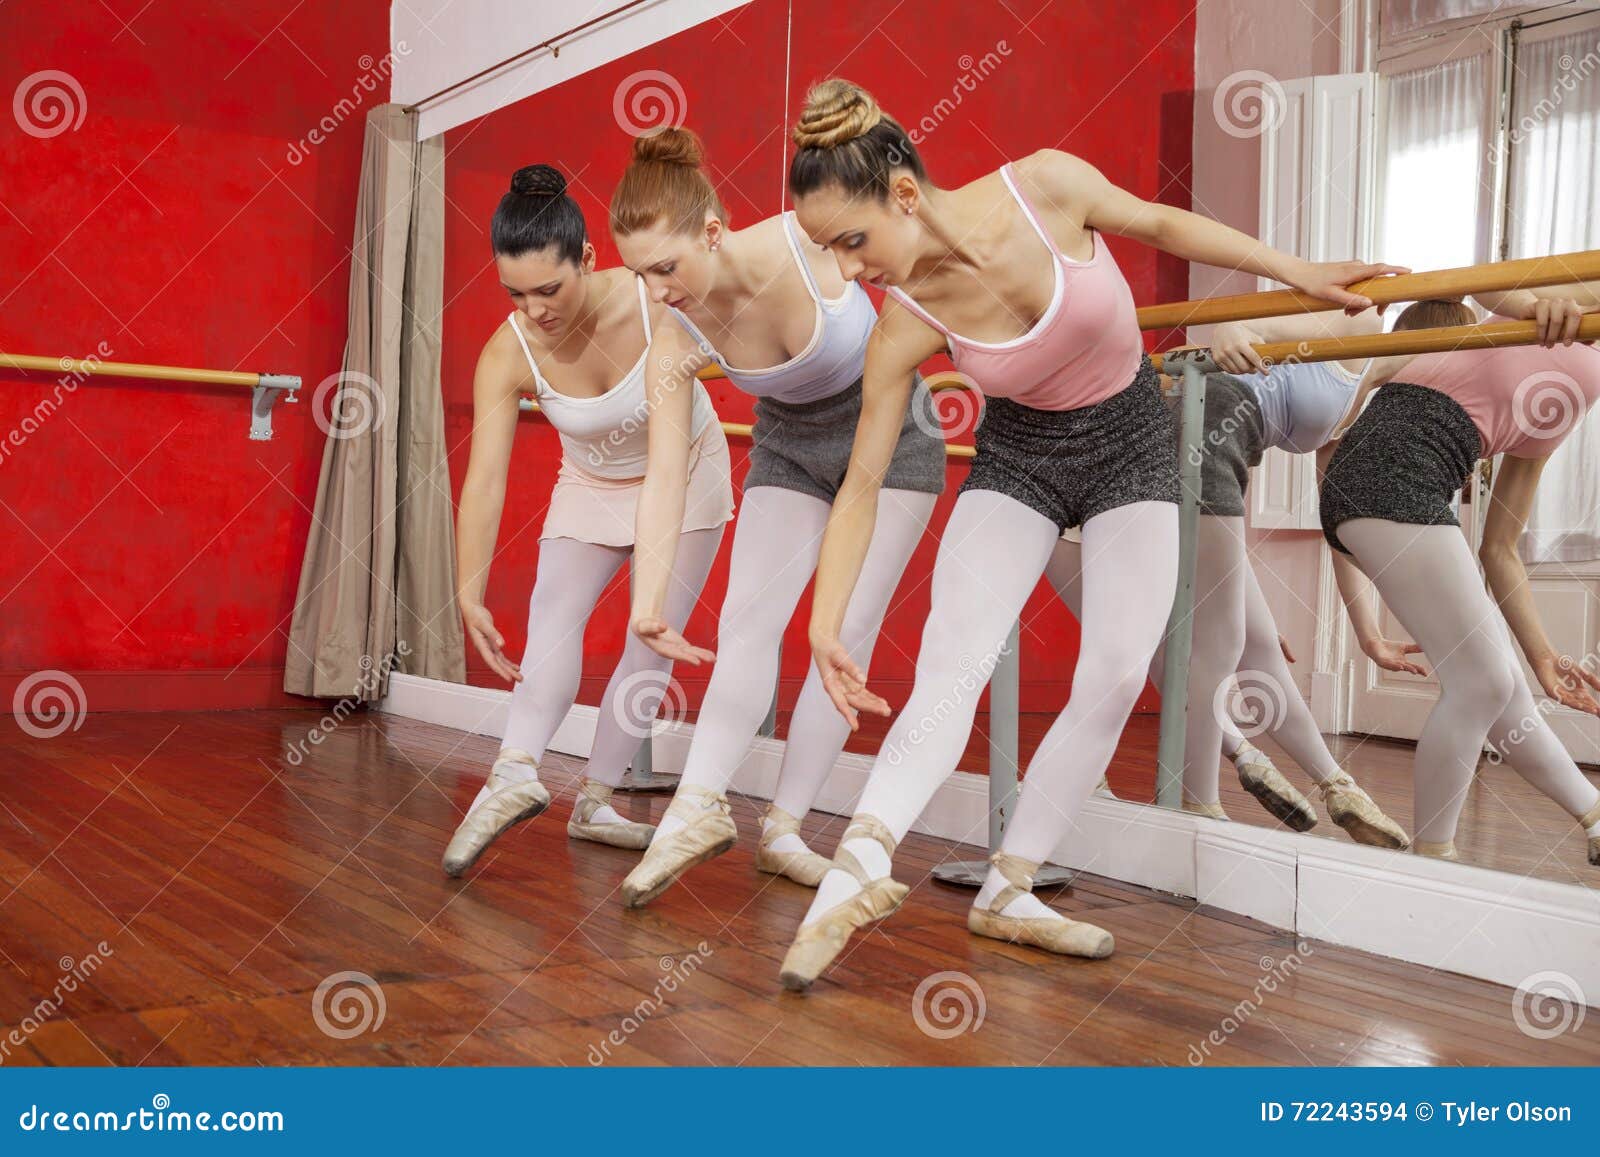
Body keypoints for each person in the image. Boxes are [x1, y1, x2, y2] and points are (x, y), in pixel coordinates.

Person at [776, 77, 1402, 990]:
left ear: (905, 194)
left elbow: (1165, 226)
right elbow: (863, 480)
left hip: (1133, 445)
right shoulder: (905, 324)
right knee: (953, 660)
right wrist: (826, 622)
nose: (848, 269)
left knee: (1113, 672)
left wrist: (1298, 274)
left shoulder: (1045, 188)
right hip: (1021, 456)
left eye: (853, 241)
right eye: (829, 251)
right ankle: (857, 868)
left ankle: (1011, 886)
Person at [607, 129, 947, 906]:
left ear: (715, 234)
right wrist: (647, 602)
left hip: (892, 435)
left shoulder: (803, 237)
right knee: (747, 622)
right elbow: (663, 474)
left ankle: (785, 828)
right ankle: (694, 811)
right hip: (790, 443)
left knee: (845, 636)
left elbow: (899, 231)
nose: (658, 289)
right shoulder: (675, 331)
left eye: (667, 267)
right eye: (640, 275)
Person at [441, 165, 733, 878]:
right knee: (552, 616)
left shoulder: (652, 307)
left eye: (550, 289)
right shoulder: (508, 351)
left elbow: (665, 467)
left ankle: (597, 799)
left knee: (649, 638)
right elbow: (484, 479)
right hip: (590, 480)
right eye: (516, 292)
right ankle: (512, 771)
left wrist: (650, 592)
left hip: (685, 470)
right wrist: (467, 589)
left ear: (590, 261)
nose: (534, 309)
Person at [1050, 311, 1410, 847]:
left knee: (1255, 641)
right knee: (1211, 643)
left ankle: (1338, 786)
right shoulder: (1350, 331)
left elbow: (1336, 520)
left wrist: (1368, 632)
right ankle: (1195, 802)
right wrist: (1231, 335)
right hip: (1194, 431)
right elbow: (1244, 333)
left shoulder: (1356, 410)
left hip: (1210, 449)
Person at [1320, 285, 1600, 864]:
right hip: (1388, 472)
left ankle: (1594, 814)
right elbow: (1479, 283)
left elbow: (1500, 547)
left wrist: (1543, 655)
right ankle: (1435, 860)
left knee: (1506, 694)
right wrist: (1527, 306)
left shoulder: (1569, 400)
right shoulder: (1543, 305)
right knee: (1484, 683)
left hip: (1399, 483)